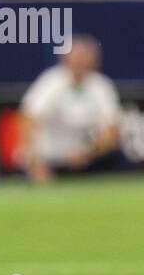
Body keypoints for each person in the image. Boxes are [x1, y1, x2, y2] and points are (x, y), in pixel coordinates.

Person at [19, 36, 123, 182]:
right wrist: (35, 161)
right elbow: (29, 117)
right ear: (65, 59)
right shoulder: (51, 82)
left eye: (86, 57)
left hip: (90, 160)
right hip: (53, 161)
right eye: (78, 57)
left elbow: (113, 133)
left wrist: (87, 153)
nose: (81, 62)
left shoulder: (102, 86)